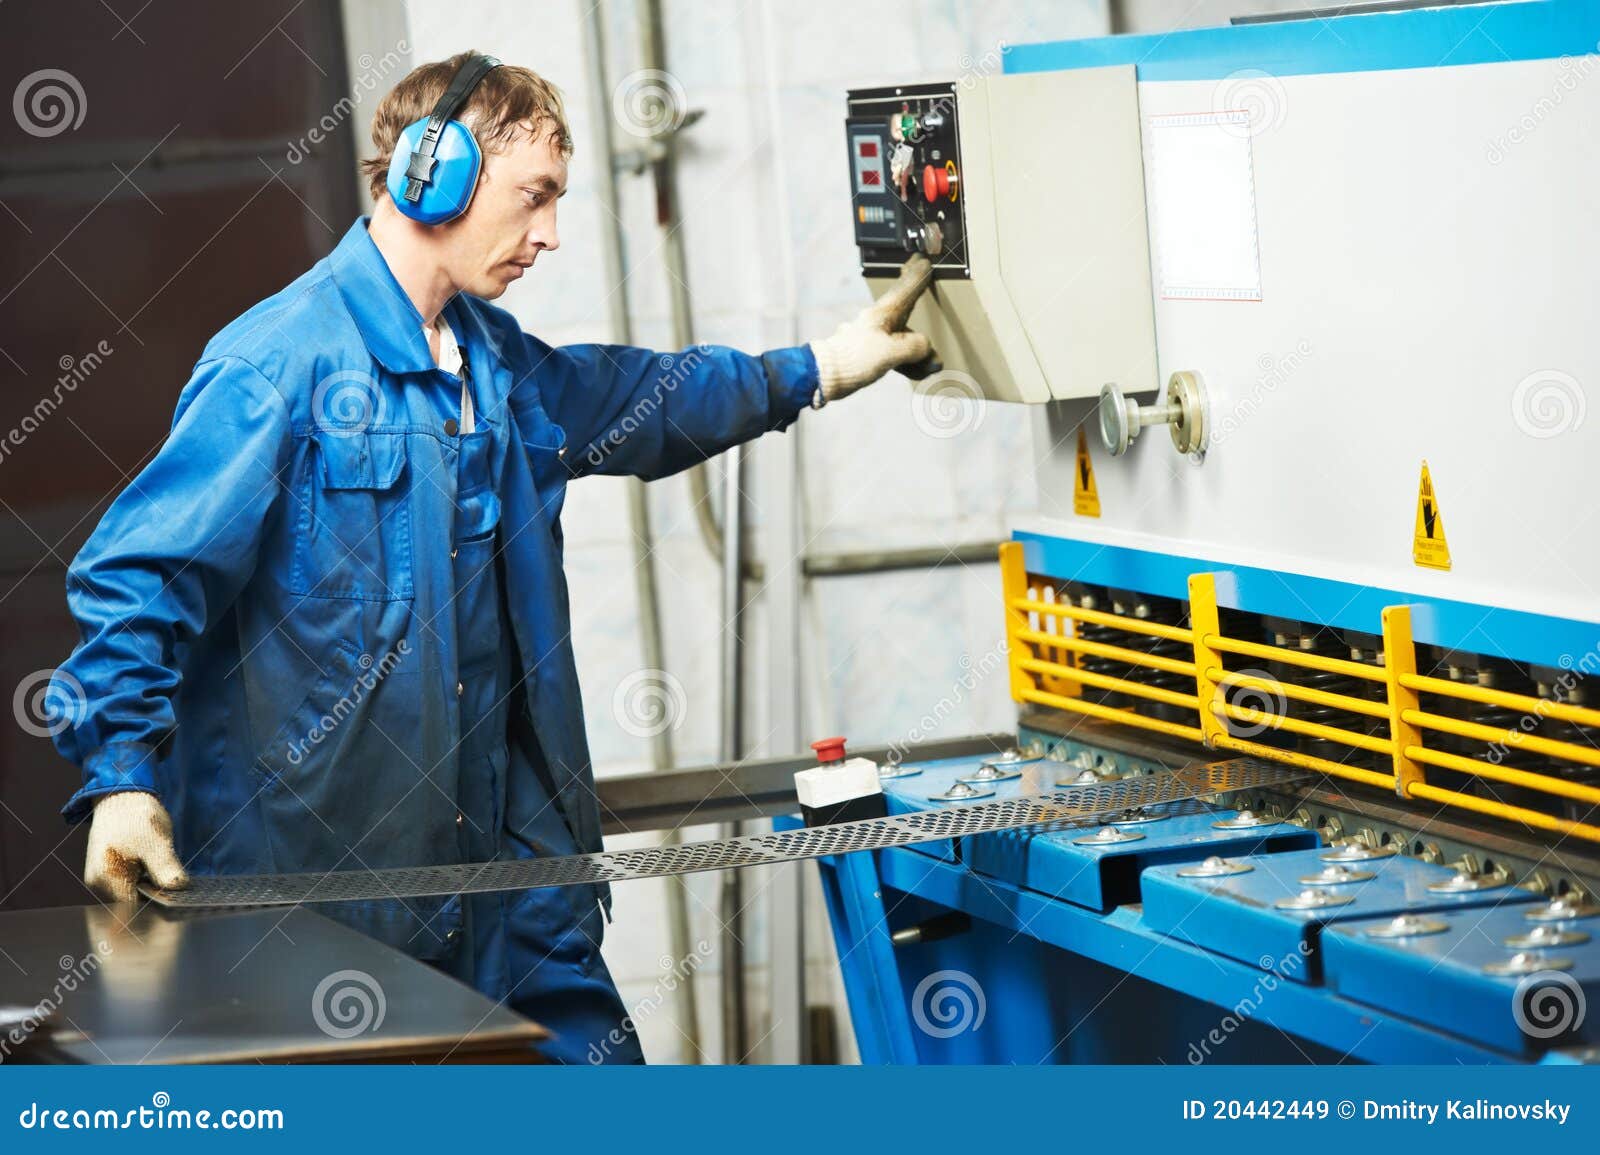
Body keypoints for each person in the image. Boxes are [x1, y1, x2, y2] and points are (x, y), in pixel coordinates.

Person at [49, 51, 931, 1063]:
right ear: (436, 175)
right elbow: (139, 577)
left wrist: (814, 369)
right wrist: (120, 779)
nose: (550, 234)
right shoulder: (278, 366)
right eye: (535, 196)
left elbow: (644, 400)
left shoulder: (497, 365)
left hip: (514, 892)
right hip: (333, 915)